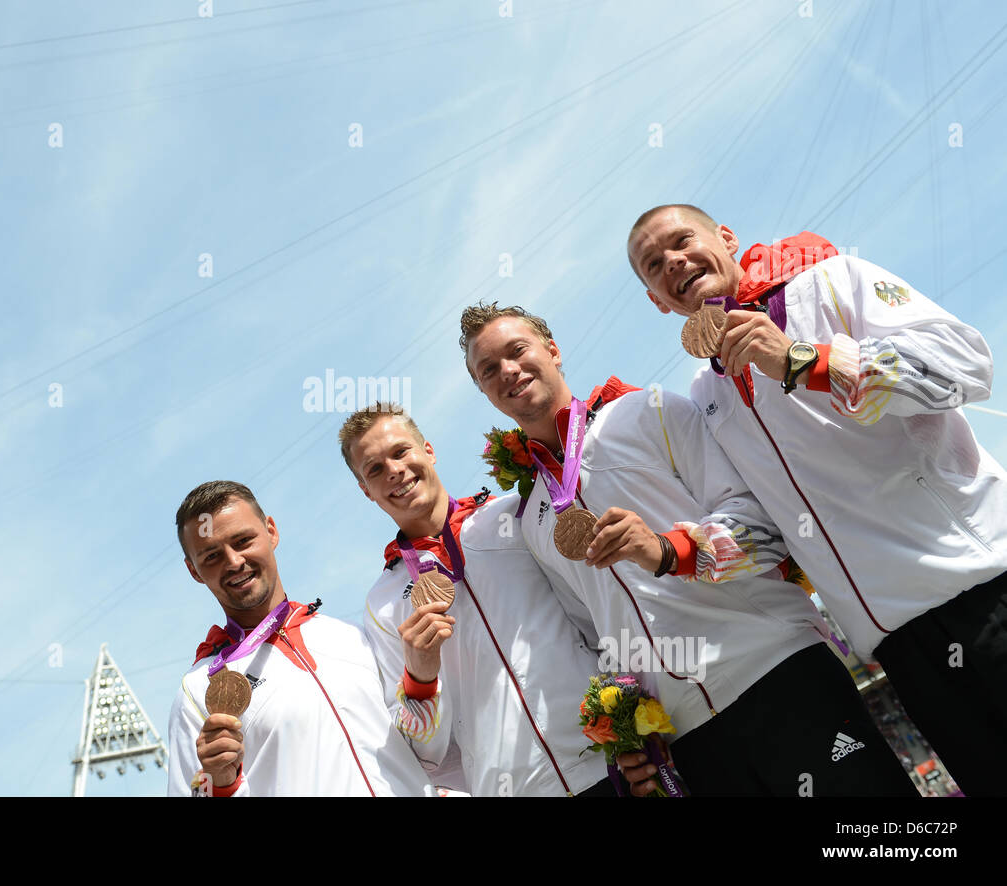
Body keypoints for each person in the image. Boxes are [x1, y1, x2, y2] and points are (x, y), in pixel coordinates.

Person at [459, 301, 916, 797]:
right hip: (689, 733)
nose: (508, 370)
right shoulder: (533, 519)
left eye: (517, 350)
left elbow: (760, 523)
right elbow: (597, 638)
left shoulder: (646, 411)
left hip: (774, 668)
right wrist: (629, 735)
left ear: (552, 349)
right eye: (488, 369)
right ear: (483, 392)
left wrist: (667, 549)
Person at [626, 204, 1007, 795]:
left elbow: (965, 364)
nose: (674, 261)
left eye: (683, 241)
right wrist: (668, 551)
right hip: (898, 647)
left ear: (725, 238)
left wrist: (806, 361)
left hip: (984, 590)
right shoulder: (707, 395)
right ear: (656, 299)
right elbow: (767, 530)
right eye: (654, 264)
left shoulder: (829, 283)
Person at [338, 404, 620, 796]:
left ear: (428, 450)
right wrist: (419, 678)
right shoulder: (383, 604)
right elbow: (423, 753)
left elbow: (600, 616)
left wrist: (635, 722)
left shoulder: (514, 517)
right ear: (366, 490)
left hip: (610, 759)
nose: (394, 471)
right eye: (374, 469)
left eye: (401, 452)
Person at [166, 480, 435, 797]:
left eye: (242, 540)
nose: (234, 561)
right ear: (194, 571)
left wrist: (421, 681)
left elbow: (428, 752)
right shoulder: (199, 691)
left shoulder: (351, 636)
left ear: (271, 531)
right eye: (212, 556)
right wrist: (222, 787)